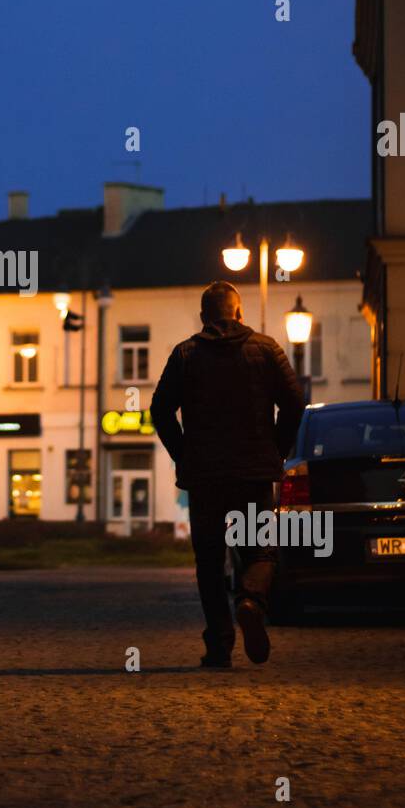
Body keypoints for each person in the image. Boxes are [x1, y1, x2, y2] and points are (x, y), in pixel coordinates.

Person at [150, 280, 305, 668]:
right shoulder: (266, 349)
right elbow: (294, 403)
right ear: (239, 312)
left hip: (204, 479)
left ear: (204, 316)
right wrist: (277, 449)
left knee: (209, 562)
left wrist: (183, 454)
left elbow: (159, 409)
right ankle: (251, 599)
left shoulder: (185, 355)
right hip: (253, 474)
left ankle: (219, 645)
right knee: (261, 551)